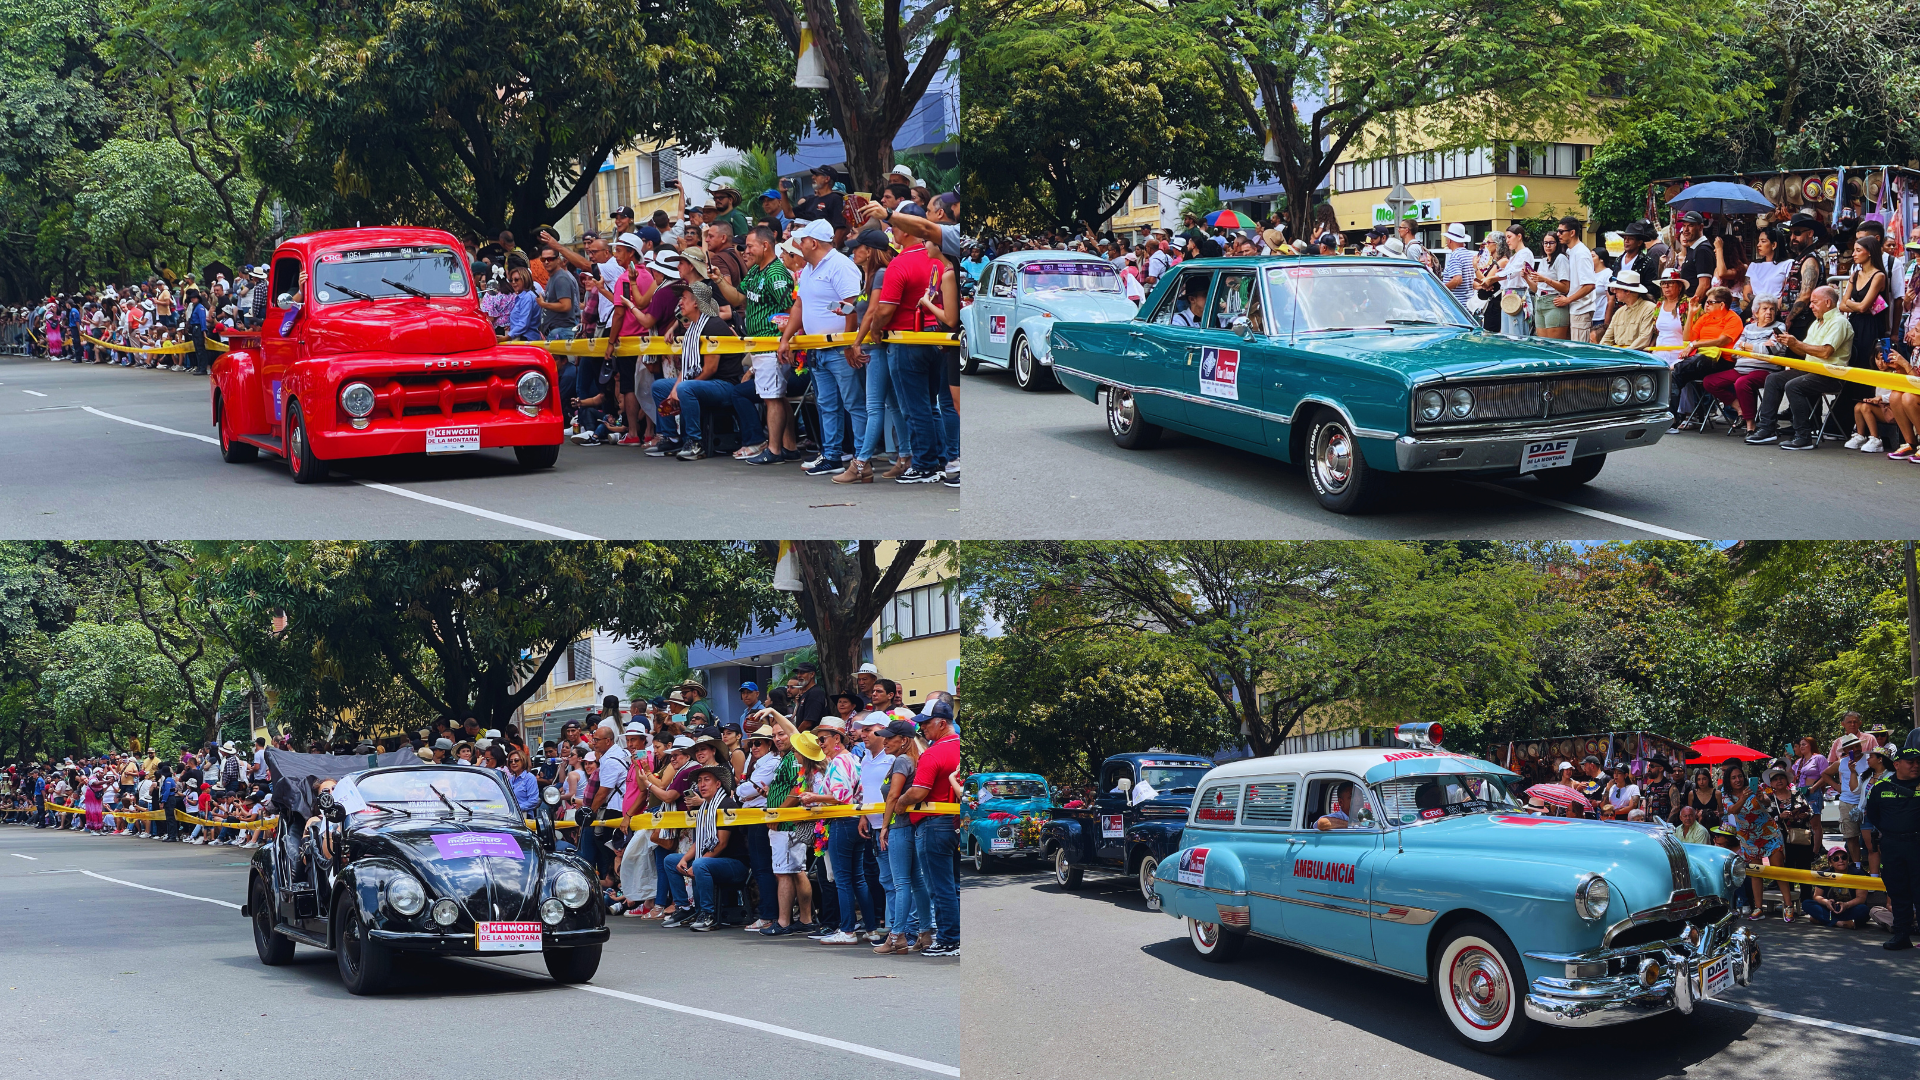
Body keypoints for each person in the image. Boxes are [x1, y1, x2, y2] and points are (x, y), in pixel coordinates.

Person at [899, 699, 961, 957]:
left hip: (934, 825)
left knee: (939, 886)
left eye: (926, 723)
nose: (922, 727)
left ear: (942, 723)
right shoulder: (958, 748)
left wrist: (900, 802)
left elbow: (918, 792)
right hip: (953, 824)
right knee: (952, 885)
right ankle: (953, 936)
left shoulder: (933, 753)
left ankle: (949, 939)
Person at [1774, 286, 1857, 450]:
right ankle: (1767, 428)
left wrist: (1797, 343)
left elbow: (1826, 352)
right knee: (1774, 379)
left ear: (1827, 302)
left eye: (1814, 302)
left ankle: (1803, 436)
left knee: (1794, 386)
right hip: (1812, 370)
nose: (1810, 306)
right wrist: (1790, 343)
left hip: (1831, 374)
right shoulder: (1816, 323)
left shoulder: (1839, 322)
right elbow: (1804, 351)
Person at [1864, 746, 1920, 950]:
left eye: (1918, 762)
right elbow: (1873, 815)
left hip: (1917, 844)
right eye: (1910, 762)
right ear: (1896, 765)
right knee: (1898, 891)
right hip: (1892, 845)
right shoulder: (1880, 787)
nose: (1915, 766)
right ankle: (1902, 935)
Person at [1816, 734, 1874, 872]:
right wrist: (1838, 787)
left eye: (1857, 745)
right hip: (1847, 802)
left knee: (1870, 839)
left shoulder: (1870, 759)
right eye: (1852, 747)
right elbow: (1824, 774)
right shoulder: (1841, 762)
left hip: (1867, 802)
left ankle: (1874, 870)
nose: (1856, 749)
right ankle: (1857, 866)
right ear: (1846, 750)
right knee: (1851, 836)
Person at [1597, 270, 1658, 350]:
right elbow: (1607, 338)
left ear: (1627, 291)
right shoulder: (1619, 312)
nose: (1614, 292)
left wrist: (1624, 353)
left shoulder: (1649, 308)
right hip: (1622, 356)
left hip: (1636, 357)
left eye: (1617, 289)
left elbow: (1644, 339)